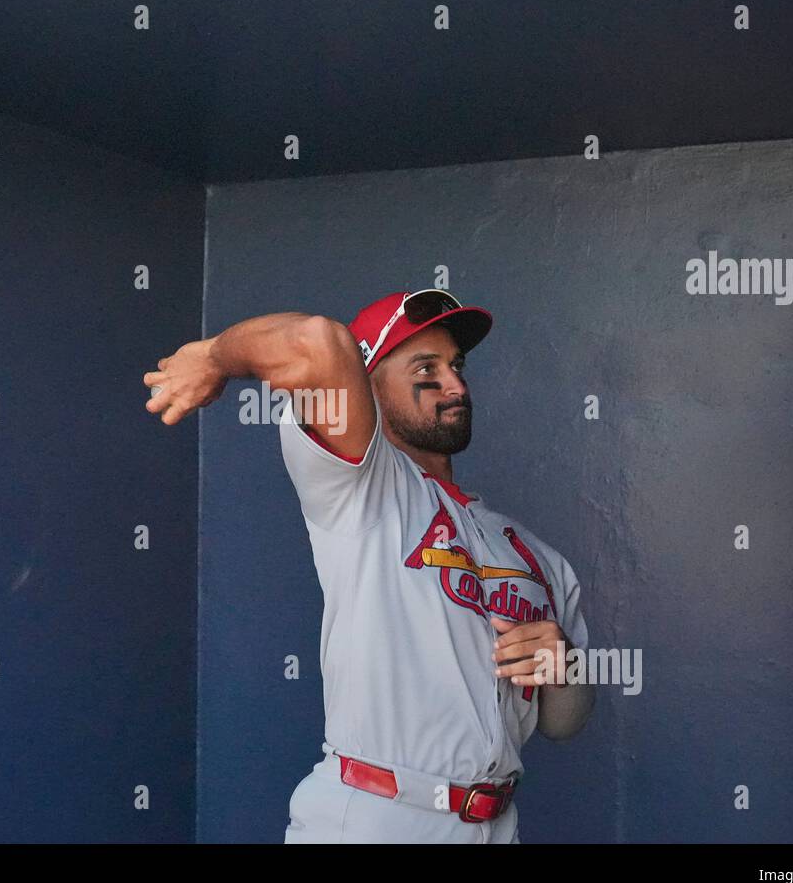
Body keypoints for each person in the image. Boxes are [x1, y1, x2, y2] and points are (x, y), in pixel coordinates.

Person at [144, 289, 594, 843]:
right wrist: (214, 357)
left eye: (455, 366)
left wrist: (563, 662)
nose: (454, 385)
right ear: (369, 385)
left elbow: (564, 723)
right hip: (377, 816)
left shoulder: (535, 555)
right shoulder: (361, 484)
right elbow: (317, 341)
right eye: (425, 369)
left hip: (495, 825)